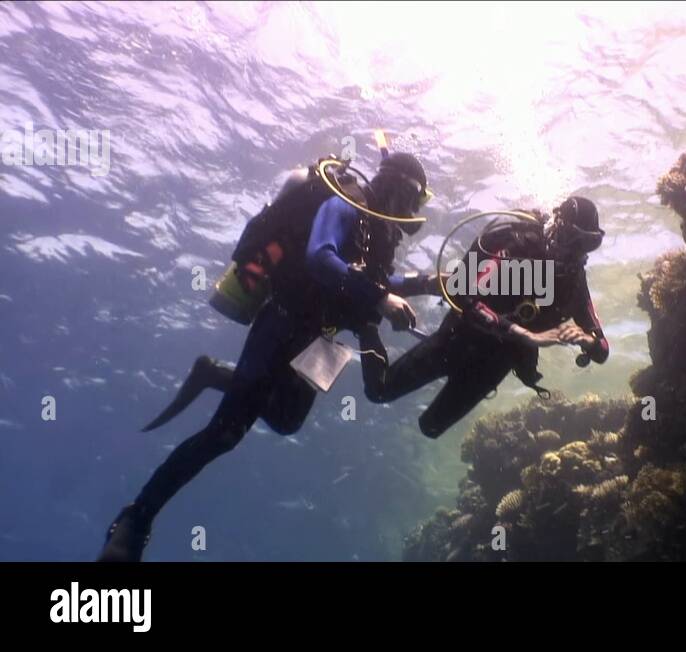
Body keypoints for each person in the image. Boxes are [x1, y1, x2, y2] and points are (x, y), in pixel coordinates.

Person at [98, 152, 439, 562]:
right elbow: (319, 256)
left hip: (320, 339)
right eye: (413, 200)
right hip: (283, 322)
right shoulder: (346, 201)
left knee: (287, 420)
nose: (411, 214)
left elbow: (381, 280)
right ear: (398, 187)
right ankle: (136, 519)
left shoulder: (375, 232)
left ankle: (217, 374)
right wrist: (383, 299)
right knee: (224, 434)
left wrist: (429, 283)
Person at [360, 196, 610, 439]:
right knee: (379, 392)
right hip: (456, 341)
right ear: (557, 225)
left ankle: (400, 290)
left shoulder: (574, 283)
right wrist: (524, 334)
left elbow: (602, 349)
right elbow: (463, 295)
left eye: (587, 245)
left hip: (492, 367)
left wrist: (588, 341)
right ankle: (365, 321)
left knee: (431, 428)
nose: (576, 252)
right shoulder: (516, 245)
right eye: (572, 239)